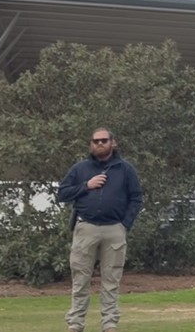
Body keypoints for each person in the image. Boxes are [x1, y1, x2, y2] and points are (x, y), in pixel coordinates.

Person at [57, 127, 144, 332]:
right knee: (80, 279)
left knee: (111, 280)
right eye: (96, 141)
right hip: (86, 227)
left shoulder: (125, 170)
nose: (100, 144)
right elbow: (62, 193)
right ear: (91, 144)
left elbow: (136, 198)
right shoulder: (80, 169)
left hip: (114, 229)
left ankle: (109, 323)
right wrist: (86, 185)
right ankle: (76, 324)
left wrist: (125, 225)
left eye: (104, 140)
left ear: (113, 143)